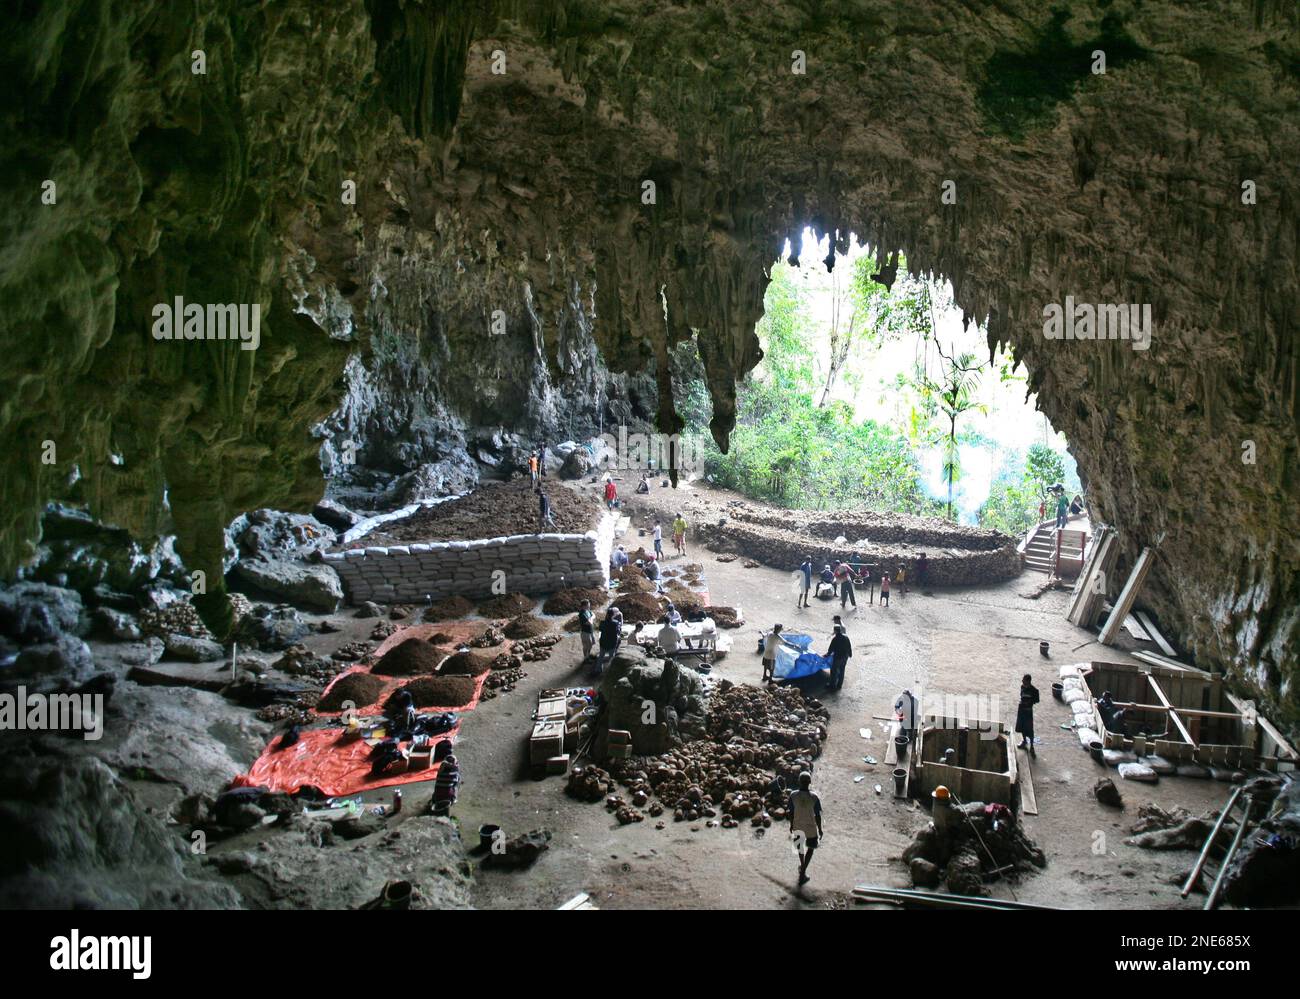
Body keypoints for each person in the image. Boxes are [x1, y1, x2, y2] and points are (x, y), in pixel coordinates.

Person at [788, 771, 824, 886]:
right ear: (810, 782)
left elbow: (791, 812)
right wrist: (820, 829)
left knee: (800, 848)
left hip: (797, 826)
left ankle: (802, 866)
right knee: (811, 848)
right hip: (810, 828)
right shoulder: (814, 797)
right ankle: (803, 871)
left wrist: (791, 824)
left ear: (799, 781)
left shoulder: (793, 795)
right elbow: (818, 815)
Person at [1016, 673, 1040, 757]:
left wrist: (1029, 702)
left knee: (1029, 729)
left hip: (1028, 711)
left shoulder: (1034, 690)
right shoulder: (1022, 687)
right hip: (1021, 710)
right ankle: (1024, 741)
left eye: (1024, 680)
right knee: (1022, 727)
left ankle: (1032, 746)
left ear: (1028, 681)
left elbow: (1037, 700)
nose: (1022, 681)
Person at [825, 624, 852, 692]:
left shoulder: (835, 639)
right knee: (842, 670)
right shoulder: (846, 637)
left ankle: (832, 686)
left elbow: (831, 649)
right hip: (845, 657)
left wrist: (827, 655)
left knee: (834, 671)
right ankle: (839, 685)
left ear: (835, 631)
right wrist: (850, 654)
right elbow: (849, 646)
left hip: (838, 657)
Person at [596, 608, 622, 674]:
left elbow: (600, 629)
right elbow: (618, 632)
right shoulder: (616, 623)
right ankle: (610, 671)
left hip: (603, 642)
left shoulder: (602, 622)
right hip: (612, 643)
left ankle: (598, 669)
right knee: (611, 656)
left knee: (601, 656)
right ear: (613, 615)